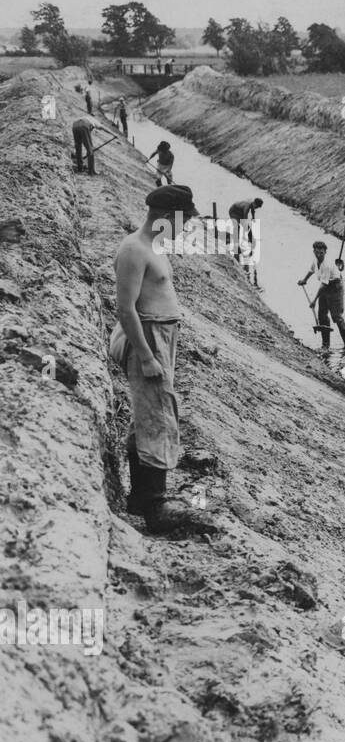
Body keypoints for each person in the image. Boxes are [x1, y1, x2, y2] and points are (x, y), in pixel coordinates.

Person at [113, 185, 217, 536]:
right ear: (164, 216)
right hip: (148, 338)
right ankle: (155, 503)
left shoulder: (154, 247)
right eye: (183, 219)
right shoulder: (134, 249)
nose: (185, 226)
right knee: (157, 413)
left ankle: (141, 496)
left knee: (151, 411)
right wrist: (146, 356)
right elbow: (125, 309)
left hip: (161, 338)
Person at [298, 240, 345, 350]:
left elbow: (323, 285)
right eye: (316, 252)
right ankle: (325, 344)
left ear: (325, 252)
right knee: (322, 315)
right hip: (325, 287)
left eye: (321, 253)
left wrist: (314, 300)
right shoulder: (315, 260)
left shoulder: (327, 264)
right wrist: (304, 280)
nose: (318, 255)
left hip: (335, 287)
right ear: (314, 252)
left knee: (336, 316)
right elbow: (311, 270)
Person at [228, 198, 264, 281]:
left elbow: (253, 211)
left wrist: (253, 218)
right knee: (237, 228)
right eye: (257, 207)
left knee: (246, 228)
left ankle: (250, 241)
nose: (256, 208)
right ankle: (236, 247)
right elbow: (244, 219)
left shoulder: (252, 205)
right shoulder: (247, 207)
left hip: (239, 212)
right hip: (233, 212)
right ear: (254, 203)